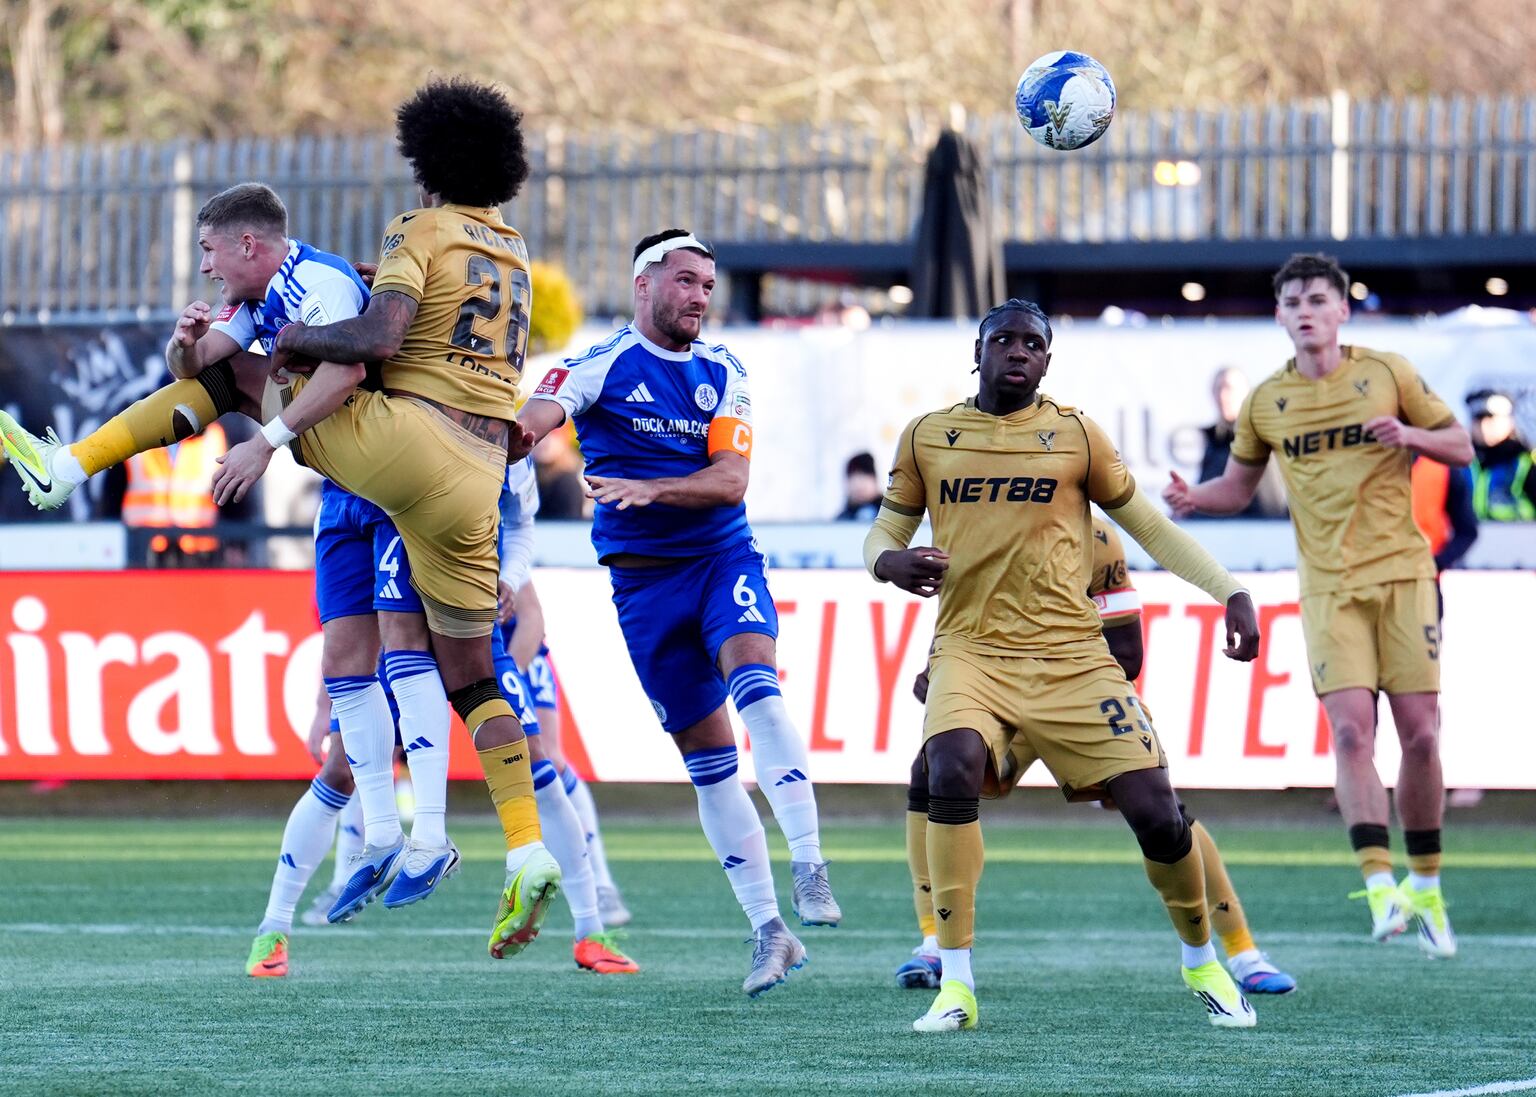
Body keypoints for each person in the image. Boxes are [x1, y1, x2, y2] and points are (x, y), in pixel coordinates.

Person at [0, 79, 558, 961]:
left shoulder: (418, 231)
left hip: (411, 446)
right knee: (470, 676)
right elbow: (214, 353)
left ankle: (67, 466)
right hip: (479, 475)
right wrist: (215, 341)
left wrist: (284, 385)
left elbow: (374, 341)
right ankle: (524, 847)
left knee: (239, 385)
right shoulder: (516, 250)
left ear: (429, 165)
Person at [866, 298, 1262, 1033]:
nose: (1018, 351)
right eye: (1003, 339)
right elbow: (886, 528)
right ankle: (955, 980)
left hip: (1074, 658)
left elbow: (1150, 527)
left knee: (1156, 811)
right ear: (977, 351)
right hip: (971, 650)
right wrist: (887, 559)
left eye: (1033, 343)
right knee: (946, 765)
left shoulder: (1076, 435)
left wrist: (1230, 591)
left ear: (1047, 361)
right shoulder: (929, 436)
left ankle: (1204, 959)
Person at [512, 228, 841, 998]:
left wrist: (652, 489)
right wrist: (507, 436)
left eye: (706, 285)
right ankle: (769, 930)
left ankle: (810, 861)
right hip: (643, 589)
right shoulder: (601, 364)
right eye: (686, 282)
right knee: (709, 761)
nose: (700, 297)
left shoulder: (723, 370)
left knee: (756, 680)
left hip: (722, 560)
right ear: (644, 284)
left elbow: (730, 481)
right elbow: (536, 415)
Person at [1164, 252, 1474, 959]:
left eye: (1317, 299)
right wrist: (1194, 500)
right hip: (1328, 584)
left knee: (1422, 733)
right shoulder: (1268, 401)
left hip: (1403, 575)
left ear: (1342, 311)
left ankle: (1425, 884)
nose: (1305, 310)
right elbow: (1238, 486)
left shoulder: (1386, 372)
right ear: (1280, 315)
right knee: (1350, 733)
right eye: (1293, 301)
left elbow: (1459, 444)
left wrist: (1411, 436)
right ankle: (1378, 885)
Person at [896, 514, 1296, 998]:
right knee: (932, 772)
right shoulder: (976, 518)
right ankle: (935, 944)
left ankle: (1242, 950)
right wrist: (936, 669)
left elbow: (1128, 654)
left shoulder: (1098, 539)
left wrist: (1055, 672)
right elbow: (965, 621)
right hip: (995, 692)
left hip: (1077, 691)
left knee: (1159, 811)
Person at [493, 456, 638, 974]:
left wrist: (505, 679)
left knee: (548, 759)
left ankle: (597, 885)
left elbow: (531, 617)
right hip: (457, 654)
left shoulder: (490, 519)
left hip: (513, 655)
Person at [1195, 367, 1288, 519]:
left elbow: (1271, 505)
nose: (1223, 396)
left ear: (1247, 394)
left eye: (1229, 388)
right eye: (1218, 389)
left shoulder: (1260, 437)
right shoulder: (1213, 440)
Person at [1467, 389, 1536, 521]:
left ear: (1510, 421)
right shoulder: (1458, 463)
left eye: (1492, 418)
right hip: (1468, 540)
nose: (1483, 426)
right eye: (1478, 419)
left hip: (1520, 539)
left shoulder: (1527, 463)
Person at [835, 451, 884, 521]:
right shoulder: (842, 520)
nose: (858, 484)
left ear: (874, 479)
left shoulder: (887, 513)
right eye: (852, 477)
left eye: (863, 476)